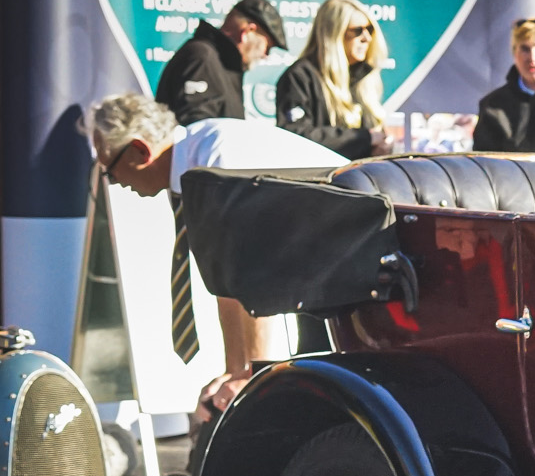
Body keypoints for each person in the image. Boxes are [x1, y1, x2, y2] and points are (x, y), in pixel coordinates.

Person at [87, 94, 345, 421]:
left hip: (363, 259)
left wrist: (253, 379)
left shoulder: (217, 159)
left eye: (110, 170)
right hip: (324, 271)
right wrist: (234, 372)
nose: (115, 182)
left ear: (140, 150)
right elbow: (228, 283)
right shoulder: (191, 169)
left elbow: (255, 269)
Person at [275, 0, 389, 159]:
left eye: (369, 30)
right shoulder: (299, 76)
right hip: (319, 182)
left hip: (359, 180)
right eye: (358, 31)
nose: (367, 38)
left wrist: (380, 145)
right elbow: (295, 135)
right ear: (334, 33)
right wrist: (365, 139)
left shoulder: (363, 78)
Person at [154, 0, 287, 125]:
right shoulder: (202, 57)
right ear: (247, 32)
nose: (266, 55)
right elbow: (197, 129)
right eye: (267, 47)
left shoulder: (223, 65)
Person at [474, 18, 535, 152]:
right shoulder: (493, 108)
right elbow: (486, 166)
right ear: (514, 54)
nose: (533, 57)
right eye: (525, 49)